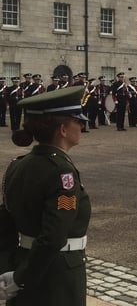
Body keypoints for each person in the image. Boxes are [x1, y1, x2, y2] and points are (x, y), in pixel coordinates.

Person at [0, 86, 91, 304]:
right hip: (57, 274)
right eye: (77, 121)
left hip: (24, 261)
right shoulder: (62, 171)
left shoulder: (17, 165)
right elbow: (54, 235)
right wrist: (22, 277)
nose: (81, 126)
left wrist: (10, 271)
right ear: (62, 129)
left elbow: (4, 224)